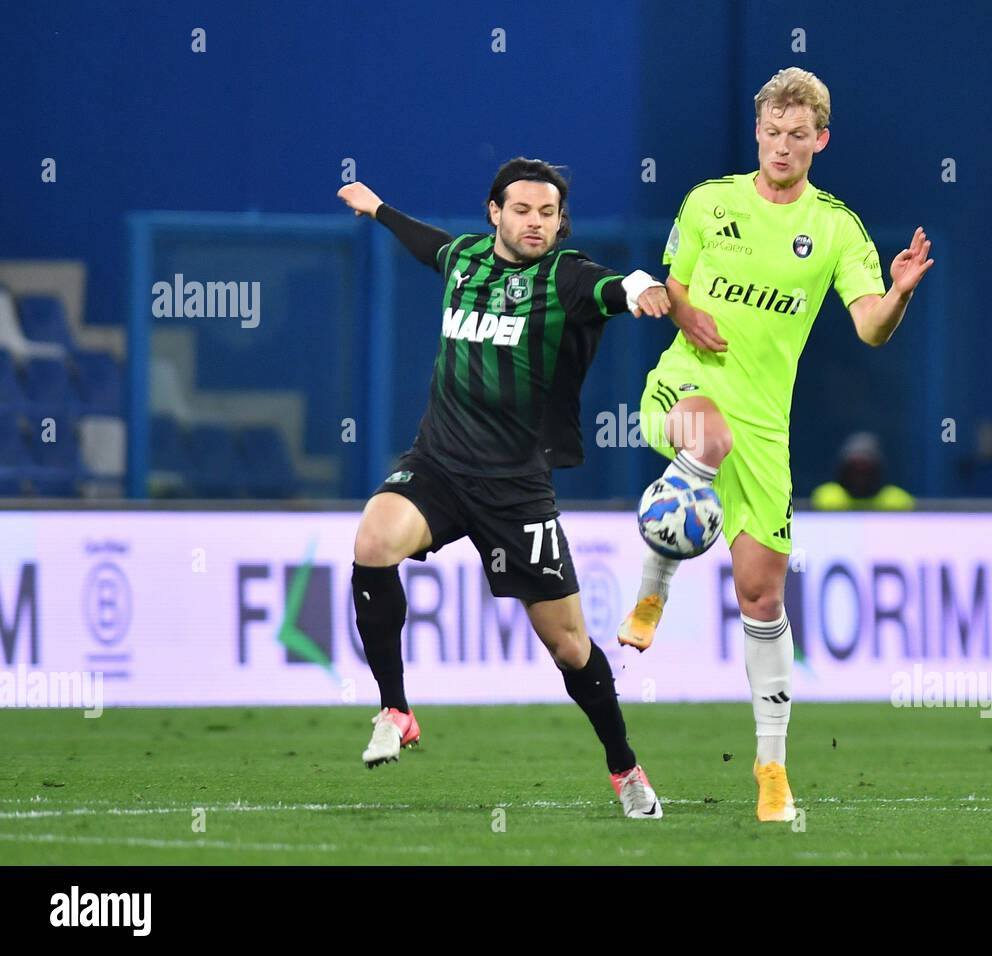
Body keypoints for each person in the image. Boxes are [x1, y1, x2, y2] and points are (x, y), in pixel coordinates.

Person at [618, 67, 934, 821]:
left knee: (761, 598)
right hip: (685, 388)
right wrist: (685, 316)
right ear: (757, 133)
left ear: (819, 140)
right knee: (707, 434)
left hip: (765, 430)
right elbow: (678, 285)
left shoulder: (835, 228)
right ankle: (652, 592)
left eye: (799, 135)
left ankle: (771, 770)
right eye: (772, 131)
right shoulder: (709, 201)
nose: (783, 145)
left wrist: (898, 295)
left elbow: (869, 325)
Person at [337, 158, 671, 819]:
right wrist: (377, 209)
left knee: (570, 648)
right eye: (522, 210)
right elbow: (425, 240)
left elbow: (612, 289)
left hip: (516, 490)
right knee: (374, 541)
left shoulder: (567, 277)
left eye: (548, 213)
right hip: (439, 466)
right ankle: (397, 710)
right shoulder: (463, 259)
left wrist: (639, 289)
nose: (536, 223)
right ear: (495, 212)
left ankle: (623, 765)